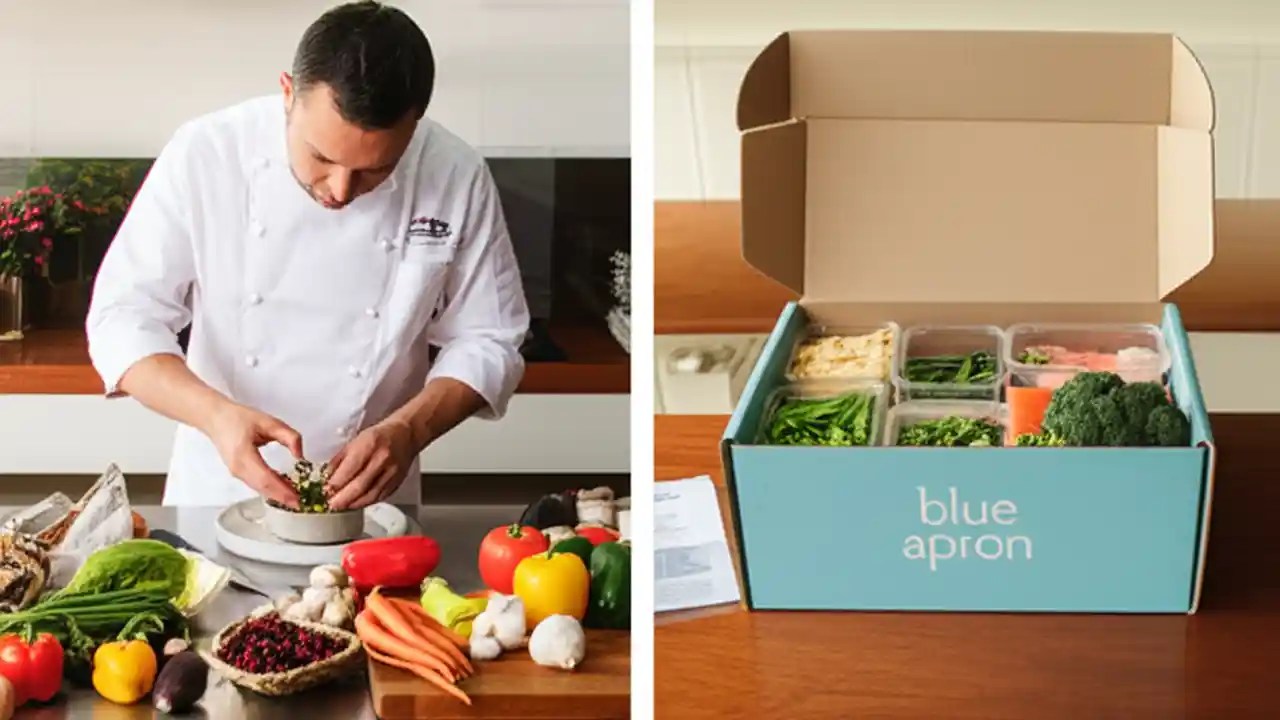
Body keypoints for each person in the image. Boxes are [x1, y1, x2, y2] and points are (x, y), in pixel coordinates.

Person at [86, 1, 529, 509]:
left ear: (416, 124)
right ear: (288, 93)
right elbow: (123, 317)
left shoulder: (454, 172)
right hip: (220, 488)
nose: (339, 190)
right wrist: (215, 416)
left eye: (375, 169)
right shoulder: (207, 153)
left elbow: (490, 338)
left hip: (373, 497)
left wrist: (409, 431)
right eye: (321, 156)